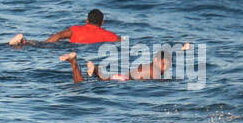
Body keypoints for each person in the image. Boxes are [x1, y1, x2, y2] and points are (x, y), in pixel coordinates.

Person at [58, 43, 190, 82]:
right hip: (123, 80)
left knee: (100, 78)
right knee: (80, 84)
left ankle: (94, 68)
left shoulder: (152, 65)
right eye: (163, 64)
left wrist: (181, 49)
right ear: (155, 60)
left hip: (121, 76)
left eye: (168, 65)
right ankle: (74, 62)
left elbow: (168, 54)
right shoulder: (154, 71)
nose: (165, 67)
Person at [9, 8, 121, 46]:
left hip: (69, 47)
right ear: (102, 23)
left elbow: (57, 36)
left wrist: (46, 44)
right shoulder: (109, 35)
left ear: (87, 21)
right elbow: (123, 43)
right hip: (84, 51)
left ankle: (24, 42)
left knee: (37, 45)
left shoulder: (76, 29)